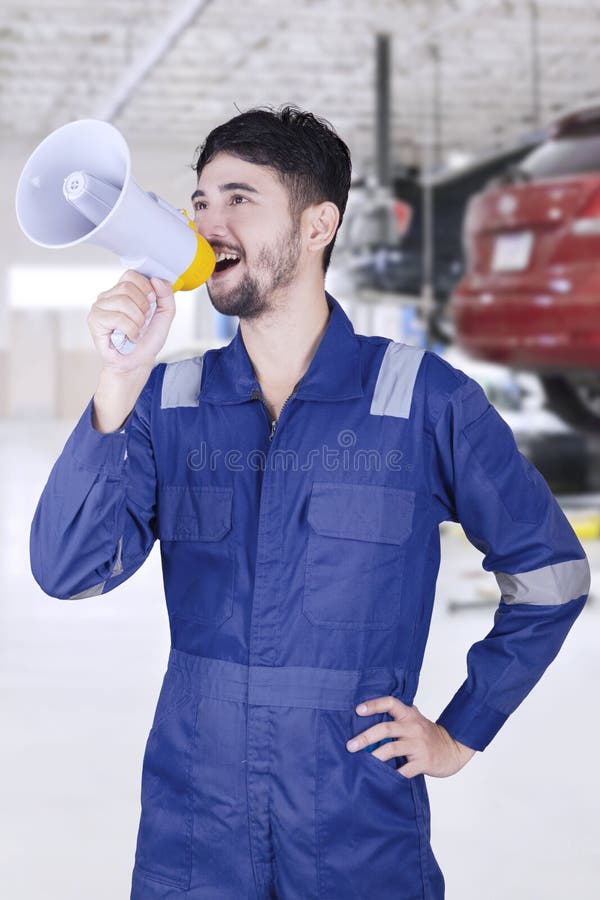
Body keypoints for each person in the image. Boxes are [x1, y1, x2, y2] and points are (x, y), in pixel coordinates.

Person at [30, 105, 590, 900]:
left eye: (238, 198)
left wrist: (463, 730)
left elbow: (552, 575)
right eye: (198, 202)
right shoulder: (169, 398)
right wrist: (116, 383)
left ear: (319, 223)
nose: (207, 223)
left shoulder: (420, 399)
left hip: (356, 824)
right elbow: (67, 571)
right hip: (195, 820)